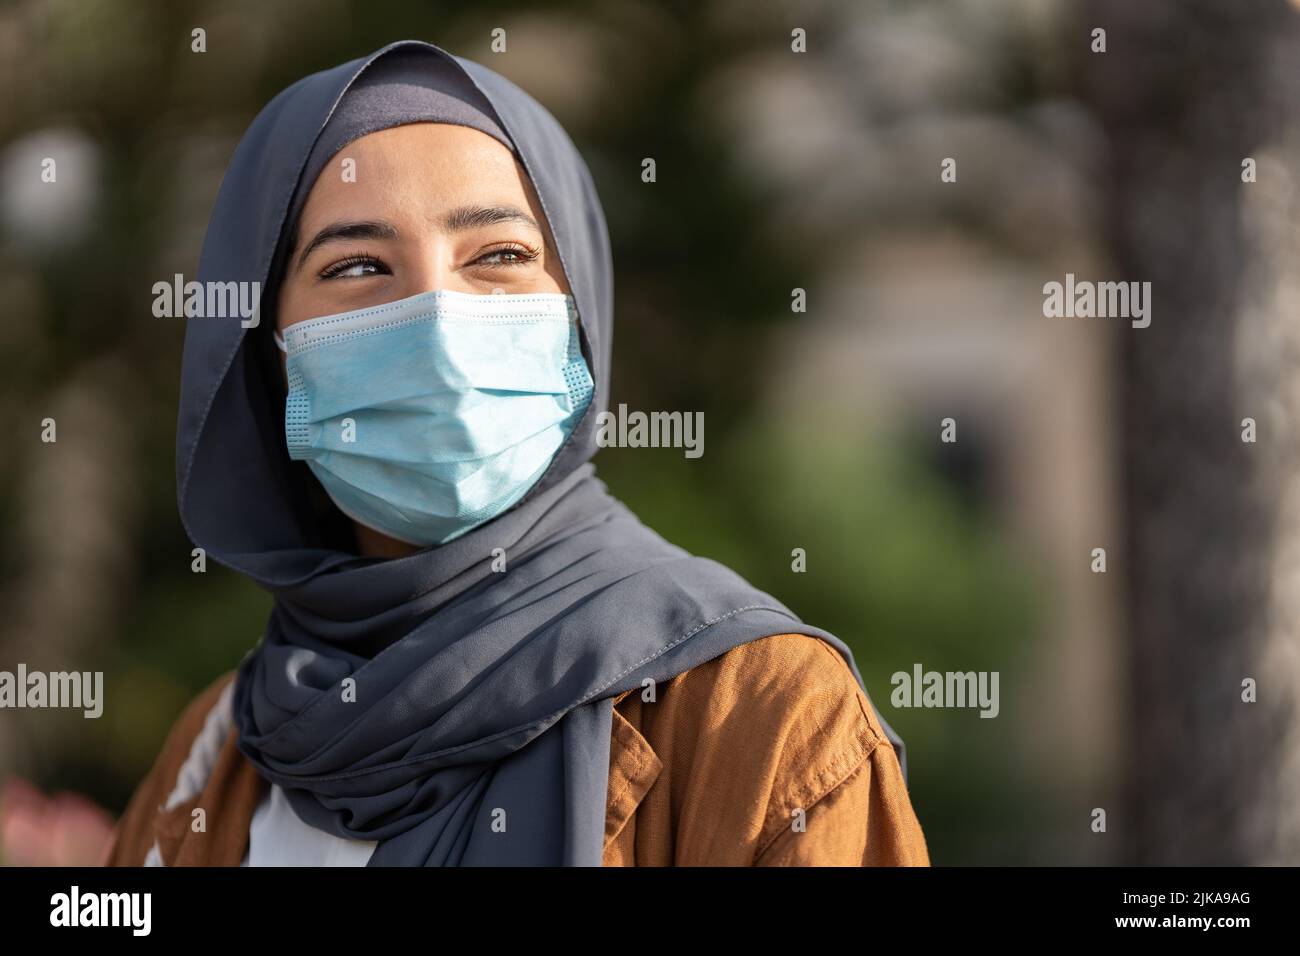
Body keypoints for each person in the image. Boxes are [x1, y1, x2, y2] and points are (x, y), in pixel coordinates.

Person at [103, 39, 930, 867]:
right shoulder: (218, 753)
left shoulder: (760, 718)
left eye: (499, 255)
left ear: (578, 313)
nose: (436, 320)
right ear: (270, 350)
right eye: (356, 265)